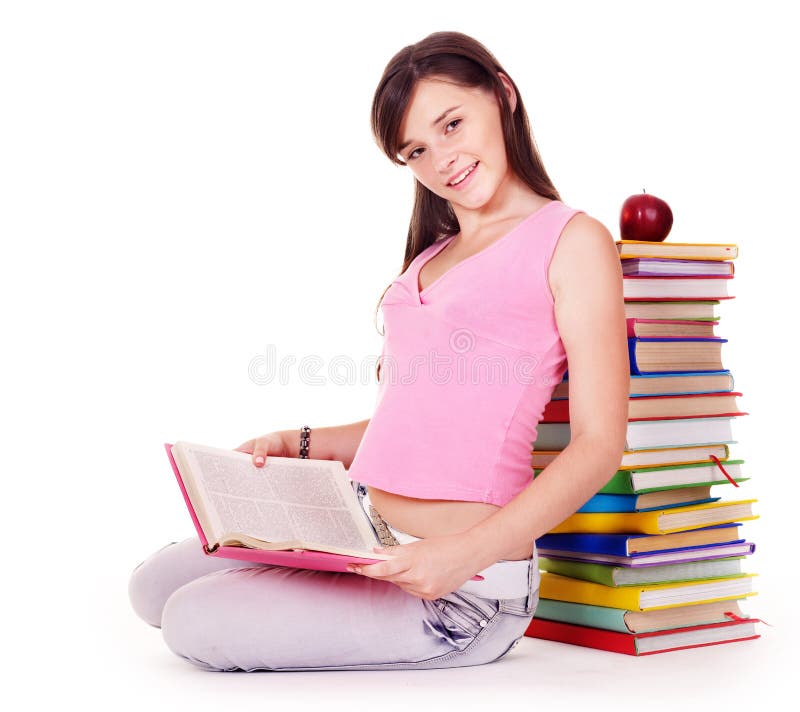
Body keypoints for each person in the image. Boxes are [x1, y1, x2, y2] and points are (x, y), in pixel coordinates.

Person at [128, 30, 629, 672]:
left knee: (192, 618)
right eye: (416, 149)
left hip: (463, 592)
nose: (441, 160)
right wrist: (300, 442)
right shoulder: (431, 254)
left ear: (501, 95)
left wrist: (465, 554)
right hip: (363, 531)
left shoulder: (572, 240)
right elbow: (420, 422)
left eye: (452, 125)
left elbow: (598, 443)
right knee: (150, 589)